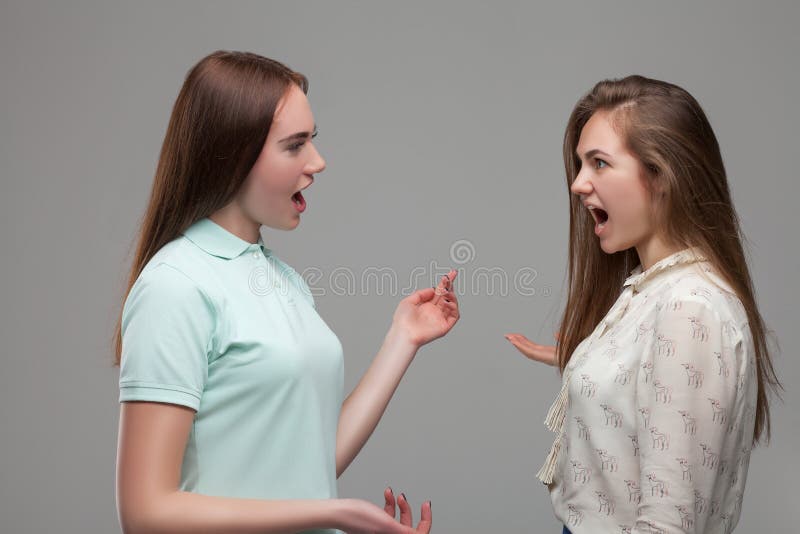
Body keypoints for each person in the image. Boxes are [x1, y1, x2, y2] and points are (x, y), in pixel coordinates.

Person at [112, 50, 460, 534]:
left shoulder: (280, 279)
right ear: (233, 154)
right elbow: (145, 513)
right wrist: (336, 512)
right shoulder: (175, 286)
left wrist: (404, 338)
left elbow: (308, 461)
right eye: (295, 146)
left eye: (311, 142)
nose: (318, 161)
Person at [505, 75, 781, 533]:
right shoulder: (656, 291)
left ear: (660, 175)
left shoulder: (689, 309)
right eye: (580, 165)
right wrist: (597, 359)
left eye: (598, 163)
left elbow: (667, 526)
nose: (578, 184)